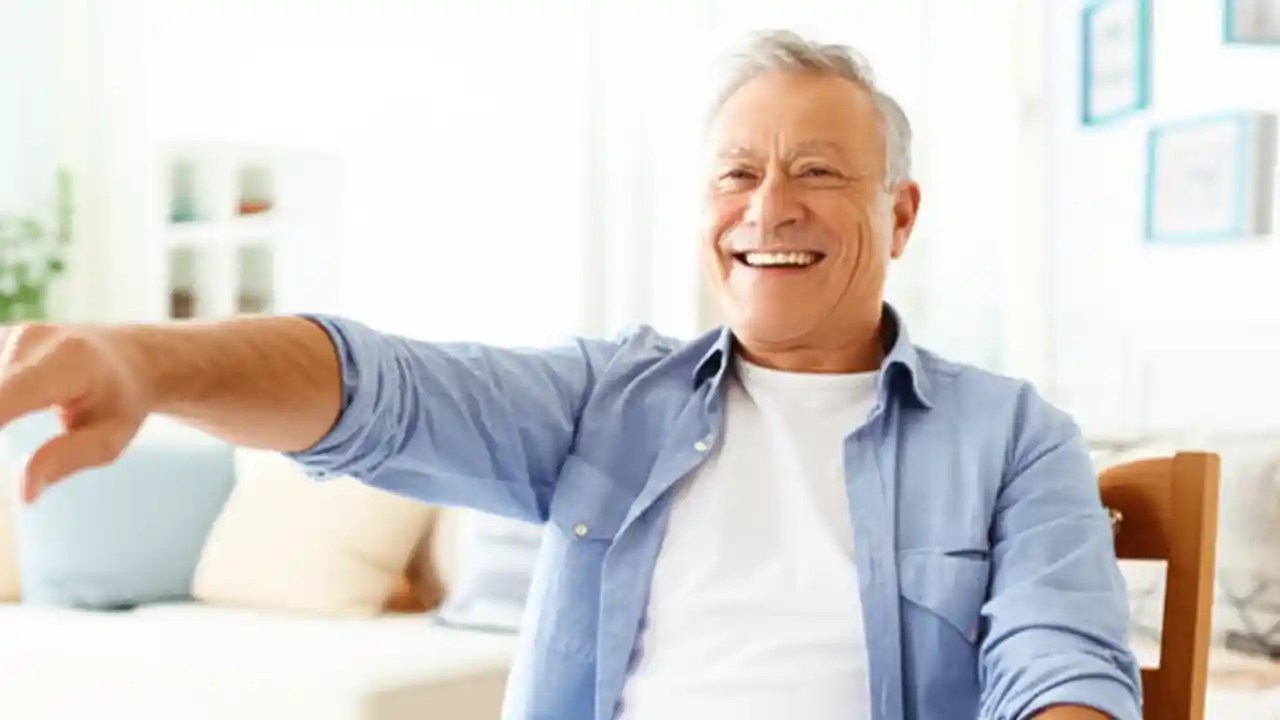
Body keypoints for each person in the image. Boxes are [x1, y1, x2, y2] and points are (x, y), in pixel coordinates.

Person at [0, 30, 1139, 720]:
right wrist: (148, 360)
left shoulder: (1010, 434)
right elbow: (381, 391)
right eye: (734, 172)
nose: (766, 206)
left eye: (818, 171)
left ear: (898, 213)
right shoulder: (607, 400)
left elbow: (1057, 660)